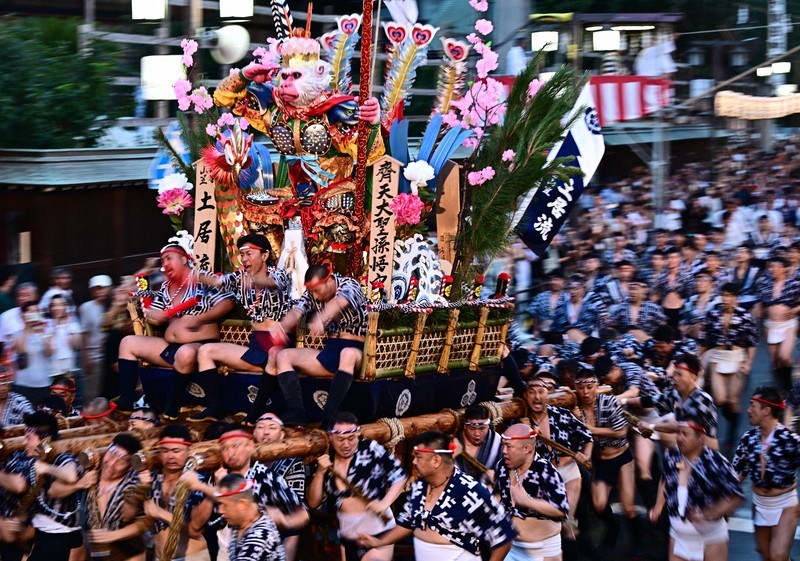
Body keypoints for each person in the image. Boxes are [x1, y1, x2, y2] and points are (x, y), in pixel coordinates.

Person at [116, 232, 234, 418]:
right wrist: (155, 317)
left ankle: (172, 405)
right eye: (162, 261)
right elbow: (154, 314)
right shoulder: (165, 287)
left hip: (199, 344)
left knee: (185, 353)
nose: (165, 264)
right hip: (170, 345)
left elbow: (227, 303)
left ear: (184, 259)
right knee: (128, 343)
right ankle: (127, 399)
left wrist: (200, 318)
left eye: (168, 258)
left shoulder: (202, 279)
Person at [358, 430, 515, 560]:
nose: (413, 462)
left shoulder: (471, 491)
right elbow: (408, 522)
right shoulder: (420, 487)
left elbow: (504, 539)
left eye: (418, 457)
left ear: (436, 460)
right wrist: (378, 542)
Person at [193, 234, 294, 422]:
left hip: (279, 342)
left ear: (264, 256)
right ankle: (214, 407)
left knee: (274, 354)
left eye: (249, 254)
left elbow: (271, 283)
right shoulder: (240, 277)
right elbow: (216, 282)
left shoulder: (280, 274)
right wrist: (191, 272)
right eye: (242, 255)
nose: (245, 259)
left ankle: (254, 413)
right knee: (205, 351)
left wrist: (254, 281)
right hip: (256, 344)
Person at [186, 424, 307, 561]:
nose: (230, 453)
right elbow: (194, 527)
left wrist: (285, 521)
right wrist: (214, 491)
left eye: (235, 446)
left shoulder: (267, 478)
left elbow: (303, 514)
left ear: (250, 446)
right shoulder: (213, 476)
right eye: (225, 448)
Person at [272, 265, 369, 426]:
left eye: (317, 291)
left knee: (347, 353)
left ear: (329, 282)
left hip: (354, 350)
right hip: (329, 351)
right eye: (312, 292)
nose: (315, 296)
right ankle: (296, 413)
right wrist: (282, 326)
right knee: (283, 356)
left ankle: (329, 415)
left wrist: (320, 318)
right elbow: (297, 310)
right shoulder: (312, 295)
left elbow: (340, 302)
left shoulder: (349, 285)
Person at [308, 412, 406, 561]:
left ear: (358, 434)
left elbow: (399, 477)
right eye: (340, 439)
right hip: (348, 539)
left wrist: (383, 504)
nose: (346, 444)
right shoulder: (325, 461)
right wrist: (320, 472)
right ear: (331, 437)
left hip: (379, 531)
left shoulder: (370, 448)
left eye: (351, 438)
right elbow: (313, 503)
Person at [649, 419, 743, 561]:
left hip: (711, 541)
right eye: (678, 433)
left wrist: (710, 513)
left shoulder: (715, 462)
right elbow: (666, 479)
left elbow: (736, 496)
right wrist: (658, 506)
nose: (680, 438)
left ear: (700, 437)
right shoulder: (671, 456)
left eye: (685, 434)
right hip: (678, 537)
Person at [521, 371, 591, 551]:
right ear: (525, 396)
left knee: (566, 519)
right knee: (559, 524)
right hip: (543, 476)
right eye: (532, 392)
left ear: (547, 395)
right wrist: (525, 432)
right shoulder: (521, 423)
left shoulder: (561, 414)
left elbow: (586, 435)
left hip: (568, 470)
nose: (537, 397)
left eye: (541, 392)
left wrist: (586, 454)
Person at [574, 367, 639, 552]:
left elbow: (621, 432)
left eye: (590, 386)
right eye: (581, 387)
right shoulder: (575, 409)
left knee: (628, 507)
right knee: (598, 505)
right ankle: (613, 527)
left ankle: (637, 540)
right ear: (575, 388)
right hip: (600, 461)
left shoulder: (608, 401)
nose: (586, 392)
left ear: (597, 386)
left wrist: (591, 429)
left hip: (621, 458)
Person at [733, 387, 800, 561]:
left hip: (785, 505)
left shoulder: (790, 441)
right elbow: (737, 473)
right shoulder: (748, 439)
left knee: (778, 555)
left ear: (766, 410)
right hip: (760, 504)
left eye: (752, 405)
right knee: (767, 555)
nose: (748, 410)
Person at [495, 423, 570, 561]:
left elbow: (562, 509)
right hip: (511, 547)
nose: (504, 451)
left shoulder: (546, 471)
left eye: (509, 446)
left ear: (527, 448)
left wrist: (528, 502)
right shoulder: (502, 466)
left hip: (542, 551)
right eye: (503, 445)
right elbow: (499, 497)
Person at [71, 432, 149, 561]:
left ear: (130, 466)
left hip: (125, 552)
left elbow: (129, 515)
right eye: (112, 454)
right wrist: (78, 484)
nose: (112, 464)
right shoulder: (88, 469)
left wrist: (142, 488)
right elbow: (55, 490)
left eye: (122, 461)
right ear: (107, 449)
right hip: (89, 549)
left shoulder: (134, 482)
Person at [698, 283, 757, 444]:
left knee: (732, 400)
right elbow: (704, 339)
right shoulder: (712, 314)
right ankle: (718, 422)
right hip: (719, 356)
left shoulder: (745, 316)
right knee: (720, 398)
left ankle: (732, 432)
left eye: (730, 296)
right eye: (724, 295)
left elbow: (752, 343)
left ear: (736, 298)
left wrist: (748, 363)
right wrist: (698, 359)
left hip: (738, 357)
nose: (726, 299)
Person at [21, 411, 84, 561]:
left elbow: (70, 475)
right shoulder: (32, 459)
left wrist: (46, 468)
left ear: (46, 440)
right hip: (41, 532)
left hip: (59, 537)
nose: (24, 442)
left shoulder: (63, 457)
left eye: (28, 438)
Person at [143, 424, 211, 561]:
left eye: (176, 450)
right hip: (159, 556)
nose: (170, 456)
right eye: (165, 450)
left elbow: (195, 530)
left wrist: (160, 513)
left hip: (192, 557)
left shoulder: (199, 481)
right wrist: (143, 487)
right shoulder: (150, 477)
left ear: (188, 450)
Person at [632, 353, 719, 450]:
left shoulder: (703, 399)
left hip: (705, 452)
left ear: (693, 377)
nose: (674, 378)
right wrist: (623, 401)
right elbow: (649, 400)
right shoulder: (675, 393)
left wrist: (651, 426)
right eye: (674, 374)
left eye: (680, 374)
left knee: (668, 435)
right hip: (686, 446)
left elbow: (683, 426)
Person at [214, 473, 285, 561]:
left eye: (224, 505)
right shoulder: (244, 523)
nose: (220, 510)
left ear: (242, 505)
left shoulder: (259, 537)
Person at [756, 255, 800, 391]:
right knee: (775, 362)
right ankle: (785, 390)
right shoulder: (766, 284)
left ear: (784, 268)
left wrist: (796, 309)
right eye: (771, 267)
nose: (772, 269)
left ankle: (795, 380)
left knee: (784, 357)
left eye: (776, 266)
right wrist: (759, 309)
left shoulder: (794, 283)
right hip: (771, 325)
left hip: (788, 324)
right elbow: (760, 301)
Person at [13, 301, 54, 403]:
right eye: (30, 312)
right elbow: (22, 354)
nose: (34, 315)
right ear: (24, 315)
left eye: (36, 311)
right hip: (24, 383)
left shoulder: (46, 332)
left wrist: (41, 331)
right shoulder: (18, 334)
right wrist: (27, 327)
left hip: (44, 382)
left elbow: (49, 352)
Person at [80, 274, 113, 401]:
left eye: (104, 288)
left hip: (111, 354)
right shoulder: (86, 307)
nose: (100, 291)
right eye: (97, 288)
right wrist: (86, 357)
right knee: (93, 391)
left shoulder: (114, 305)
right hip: (95, 355)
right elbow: (85, 334)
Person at [607, 276, 666, 342]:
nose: (632, 292)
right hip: (626, 344)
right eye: (630, 289)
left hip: (648, 344)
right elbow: (611, 324)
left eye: (635, 289)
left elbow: (663, 327)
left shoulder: (654, 308)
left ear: (644, 290)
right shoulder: (621, 308)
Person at [551, 274, 606, 344]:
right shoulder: (560, 308)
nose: (572, 292)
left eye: (576, 288)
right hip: (564, 344)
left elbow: (600, 328)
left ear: (583, 289)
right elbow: (554, 329)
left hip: (586, 345)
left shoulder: (591, 308)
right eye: (570, 288)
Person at [454, 404, 502, 485]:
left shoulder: (496, 440)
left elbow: (505, 465)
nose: (477, 433)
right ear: (465, 426)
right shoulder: (454, 442)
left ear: (488, 426)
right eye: (472, 429)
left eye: (482, 428)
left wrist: (497, 474)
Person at [0, 282, 38, 363]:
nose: (21, 298)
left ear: (35, 297)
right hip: (14, 364)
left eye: (26, 295)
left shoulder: (41, 315)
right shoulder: (6, 316)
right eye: (19, 295)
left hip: (40, 361)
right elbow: (1, 343)